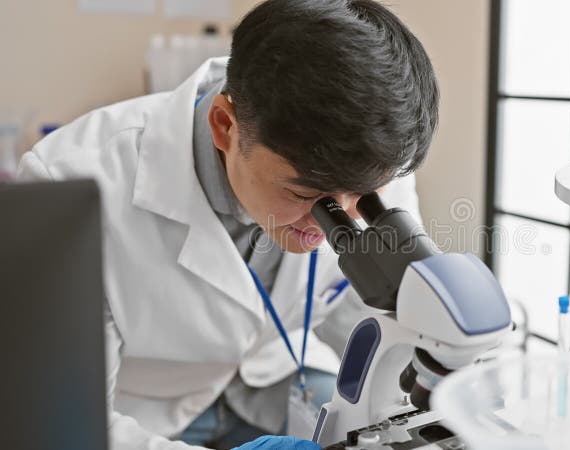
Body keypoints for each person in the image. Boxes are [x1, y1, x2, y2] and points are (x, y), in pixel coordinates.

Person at [16, 0, 438, 448]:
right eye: (304, 195)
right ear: (224, 125)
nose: (342, 214)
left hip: (279, 371)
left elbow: (375, 319)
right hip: (145, 409)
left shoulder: (370, 162)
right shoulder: (69, 185)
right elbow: (62, 427)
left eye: (363, 196)